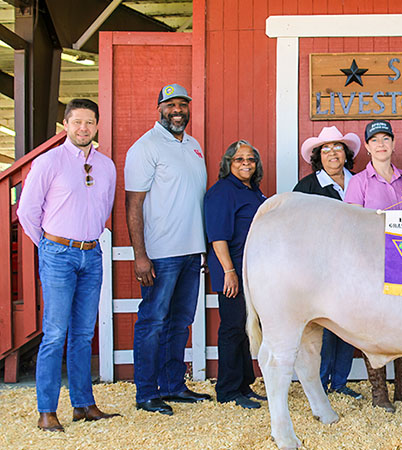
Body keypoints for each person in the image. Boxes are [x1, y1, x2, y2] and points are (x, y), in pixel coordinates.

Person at [17, 99, 120, 431]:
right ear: (65, 125)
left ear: (97, 126)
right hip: (58, 253)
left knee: (82, 334)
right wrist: (50, 245)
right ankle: (46, 411)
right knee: (55, 333)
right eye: (77, 122)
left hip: (92, 253)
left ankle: (83, 405)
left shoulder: (106, 166)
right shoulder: (48, 162)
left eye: (89, 122)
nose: (83, 129)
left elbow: (105, 208)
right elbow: (27, 212)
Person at [125, 83, 211, 415]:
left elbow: (194, 200)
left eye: (183, 105)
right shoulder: (145, 147)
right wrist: (140, 255)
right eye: (170, 104)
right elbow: (133, 204)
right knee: (152, 321)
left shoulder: (193, 145)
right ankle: (147, 392)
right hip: (161, 253)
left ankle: (173, 385)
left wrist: (202, 248)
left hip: (191, 252)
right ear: (159, 108)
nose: (178, 110)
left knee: (180, 322)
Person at [343, 120, 402, 412]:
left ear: (393, 144)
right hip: (372, 263)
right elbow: (352, 224)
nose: (381, 144)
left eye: (385, 139)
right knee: (373, 326)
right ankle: (379, 393)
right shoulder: (359, 182)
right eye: (375, 140)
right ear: (367, 147)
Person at [294, 125, 363, 399]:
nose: (333, 153)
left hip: (356, 264)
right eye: (326, 149)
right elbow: (296, 226)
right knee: (322, 324)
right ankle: (320, 383)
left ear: (346, 154)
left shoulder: (359, 182)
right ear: (317, 156)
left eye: (338, 148)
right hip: (321, 266)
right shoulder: (307, 187)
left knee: (349, 323)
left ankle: (341, 381)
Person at [204, 140, 268, 409]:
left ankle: (244, 384)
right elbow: (217, 236)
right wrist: (229, 272)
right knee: (232, 328)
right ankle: (228, 389)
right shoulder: (222, 192)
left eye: (250, 159)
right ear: (229, 163)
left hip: (251, 271)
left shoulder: (252, 191)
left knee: (245, 327)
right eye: (239, 159)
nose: (246, 164)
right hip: (233, 270)